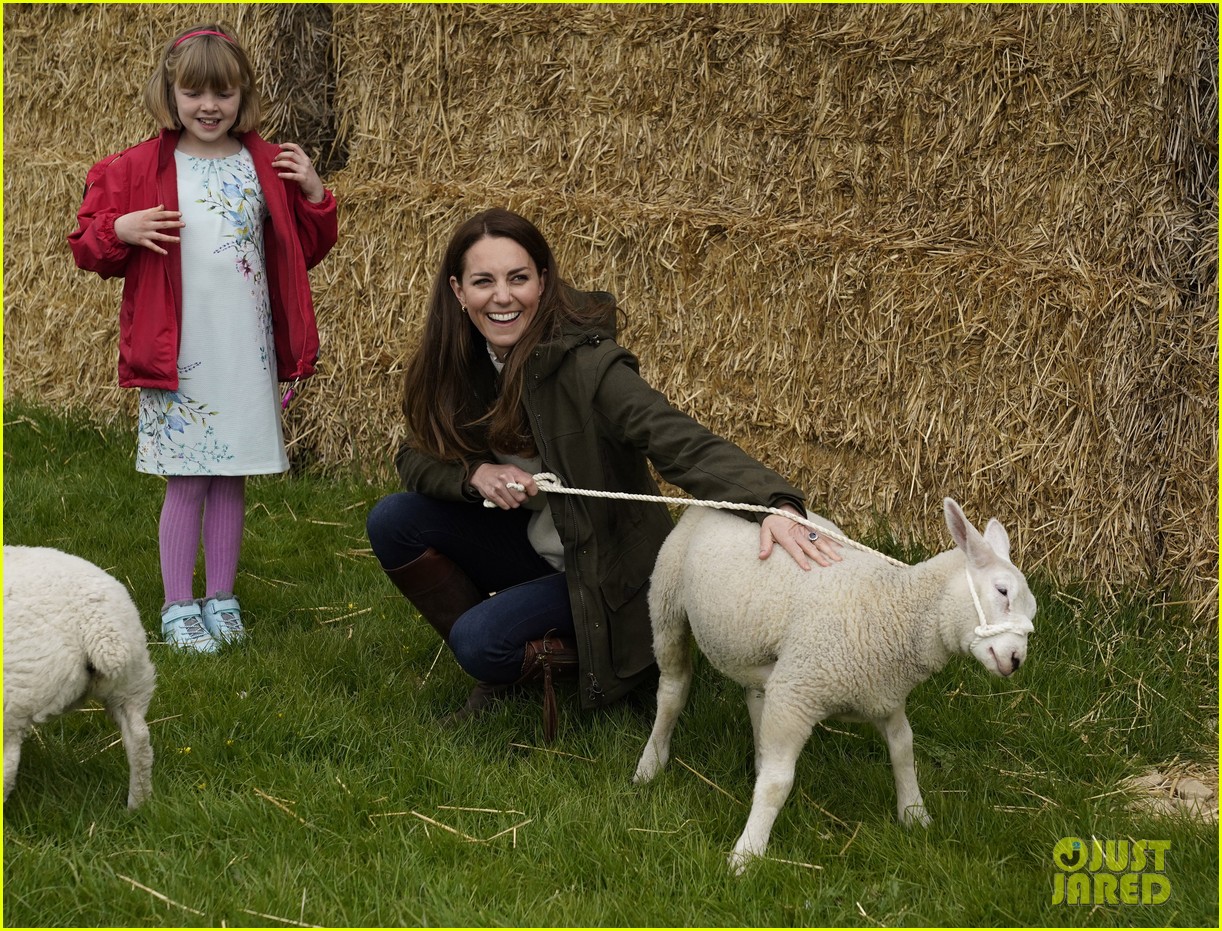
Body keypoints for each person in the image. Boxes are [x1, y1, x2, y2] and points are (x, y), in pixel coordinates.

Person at [366, 208, 840, 738]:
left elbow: (676, 437)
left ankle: (588, 660)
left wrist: (773, 502)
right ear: (458, 291)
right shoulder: (463, 360)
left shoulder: (590, 367)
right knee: (394, 519)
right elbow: (414, 457)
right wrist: (473, 472)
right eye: (484, 282)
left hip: (602, 567)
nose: (503, 297)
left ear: (543, 283)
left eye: (518, 278)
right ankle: (509, 653)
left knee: (481, 644)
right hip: (534, 543)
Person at [68, 24, 338, 653]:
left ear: (243, 95)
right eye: (194, 93)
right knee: (187, 476)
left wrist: (316, 194)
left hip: (244, 349)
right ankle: (177, 606)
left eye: (224, 92)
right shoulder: (137, 167)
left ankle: (221, 596)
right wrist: (121, 228)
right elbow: (87, 245)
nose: (209, 106)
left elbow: (304, 251)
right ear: (171, 92)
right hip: (180, 352)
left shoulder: (264, 166)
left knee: (232, 474)